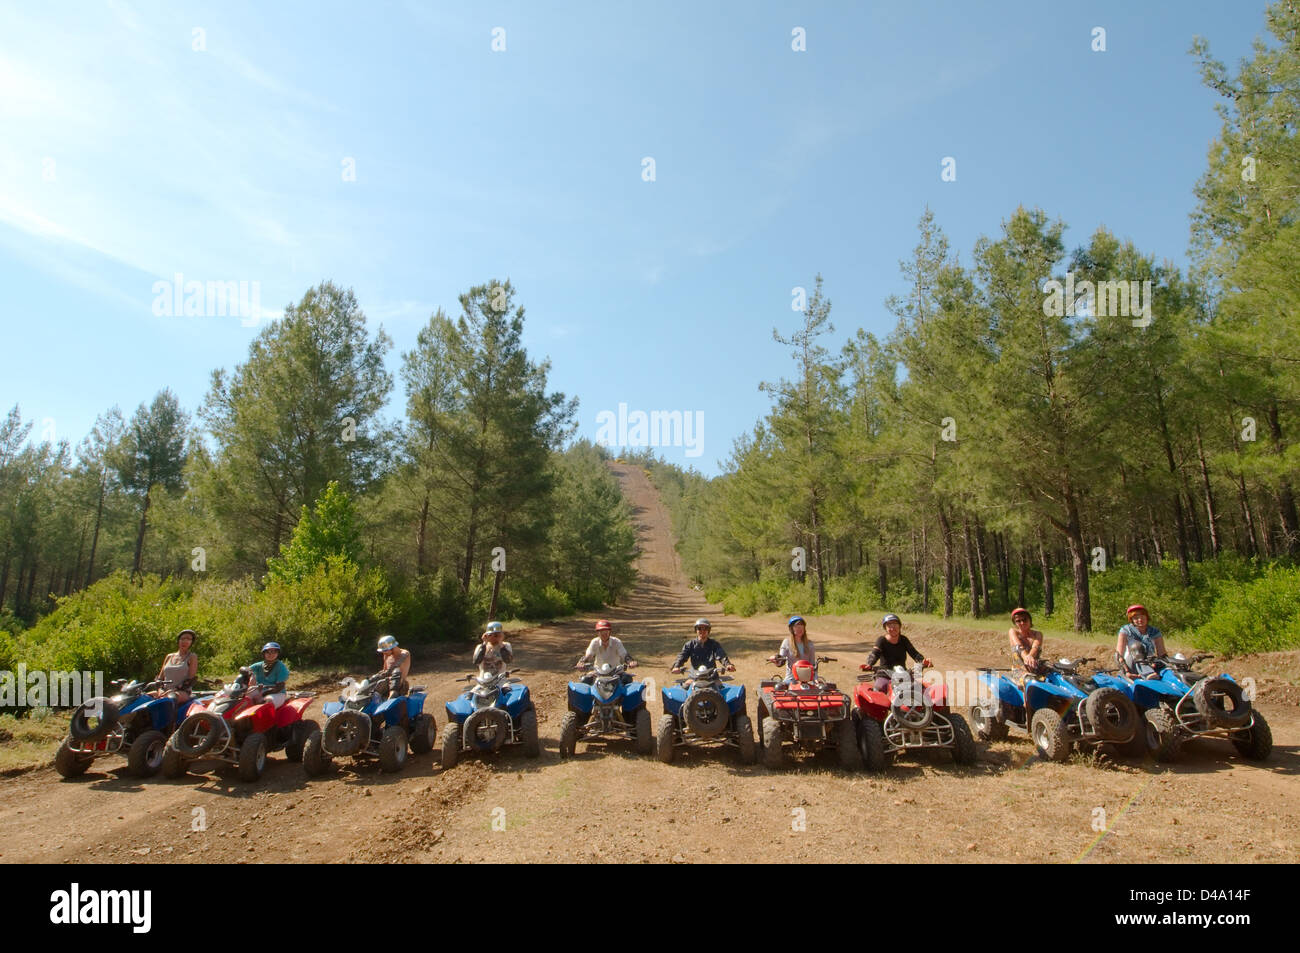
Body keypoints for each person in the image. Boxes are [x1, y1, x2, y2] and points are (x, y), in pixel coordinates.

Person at [860, 614, 930, 692]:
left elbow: (914, 654)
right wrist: (869, 664)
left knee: (920, 689)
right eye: (889, 625)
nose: (892, 627)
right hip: (885, 674)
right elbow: (875, 654)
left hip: (903, 673)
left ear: (899, 626)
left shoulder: (904, 640)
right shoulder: (881, 640)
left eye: (895, 624)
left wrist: (923, 661)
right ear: (885, 628)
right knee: (879, 688)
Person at [576, 619, 637, 684]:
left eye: (606, 631)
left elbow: (624, 655)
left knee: (627, 680)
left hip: (616, 671)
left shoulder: (616, 641)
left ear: (610, 632)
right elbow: (588, 655)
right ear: (598, 633)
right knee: (584, 680)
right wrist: (581, 662)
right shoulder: (594, 642)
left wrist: (630, 662)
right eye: (601, 631)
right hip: (598, 672)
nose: (604, 634)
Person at [1116, 604, 1167, 680]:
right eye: (1136, 618)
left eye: (1142, 616)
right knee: (1137, 646)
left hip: (1150, 662)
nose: (1140, 620)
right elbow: (1118, 655)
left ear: (1147, 617)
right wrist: (1126, 671)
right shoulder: (1125, 630)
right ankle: (1148, 673)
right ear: (1131, 619)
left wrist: (1157, 664)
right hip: (1132, 663)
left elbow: (1162, 654)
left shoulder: (1154, 631)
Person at [768, 615, 816, 683]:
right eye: (796, 626)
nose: (799, 629)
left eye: (802, 626)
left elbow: (813, 664)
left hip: (807, 679)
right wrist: (775, 659)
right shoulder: (786, 642)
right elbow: (781, 660)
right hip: (791, 679)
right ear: (791, 629)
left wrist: (815, 679)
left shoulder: (810, 644)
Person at [154, 629, 199, 703]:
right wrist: (160, 689)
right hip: (164, 691)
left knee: (170, 699)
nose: (185, 641)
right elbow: (160, 678)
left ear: (191, 642)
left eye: (188, 639)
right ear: (178, 640)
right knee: (143, 698)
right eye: (182, 638)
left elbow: (190, 680)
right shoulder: (169, 656)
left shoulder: (192, 656)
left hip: (181, 692)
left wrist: (175, 689)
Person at [248, 642, 290, 708]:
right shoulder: (259, 665)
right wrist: (251, 675)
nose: (271, 654)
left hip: (277, 693)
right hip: (260, 690)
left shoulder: (281, 667)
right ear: (264, 653)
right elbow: (245, 669)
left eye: (274, 652)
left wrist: (262, 695)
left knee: (267, 702)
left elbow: (279, 687)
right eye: (268, 652)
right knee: (244, 698)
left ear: (277, 653)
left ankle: (263, 718)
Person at [1008, 608, 1045, 676]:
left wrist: (1029, 657)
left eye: (1024, 619)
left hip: (1037, 668)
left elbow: (1035, 647)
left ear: (1030, 620)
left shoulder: (1038, 634)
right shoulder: (1013, 631)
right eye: (1018, 621)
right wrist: (1026, 657)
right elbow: (1019, 647)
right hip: (1019, 670)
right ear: (1015, 623)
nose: (1022, 623)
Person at [372, 635, 411, 699]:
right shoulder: (386, 656)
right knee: (373, 683)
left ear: (392, 647)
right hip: (386, 683)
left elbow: (395, 666)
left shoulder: (404, 653)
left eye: (385, 650)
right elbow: (384, 671)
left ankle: (392, 696)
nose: (383, 653)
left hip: (399, 685)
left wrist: (386, 674)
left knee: (396, 672)